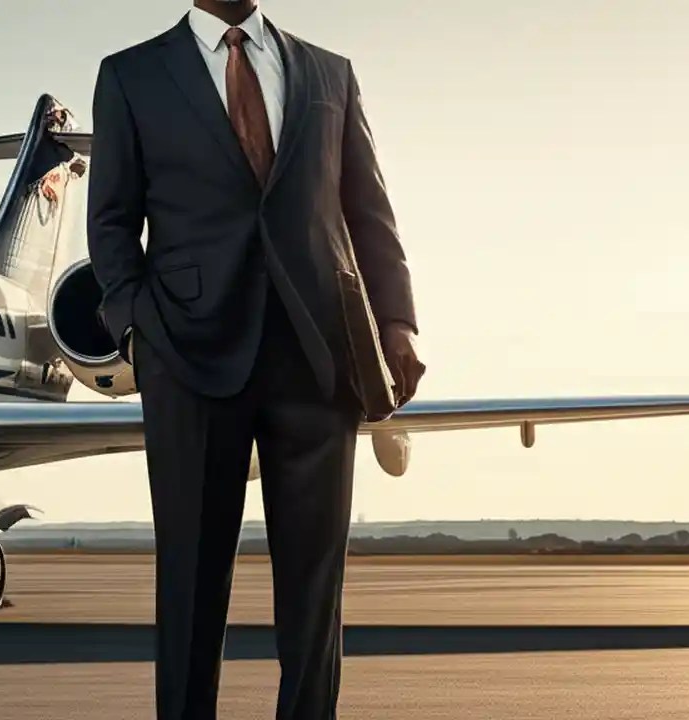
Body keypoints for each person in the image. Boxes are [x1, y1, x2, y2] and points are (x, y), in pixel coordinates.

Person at [86, 1, 425, 718]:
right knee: (191, 578)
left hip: (318, 349)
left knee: (314, 589)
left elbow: (368, 211)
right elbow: (111, 223)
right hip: (187, 353)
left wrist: (397, 321)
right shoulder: (130, 76)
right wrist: (137, 331)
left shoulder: (330, 74)